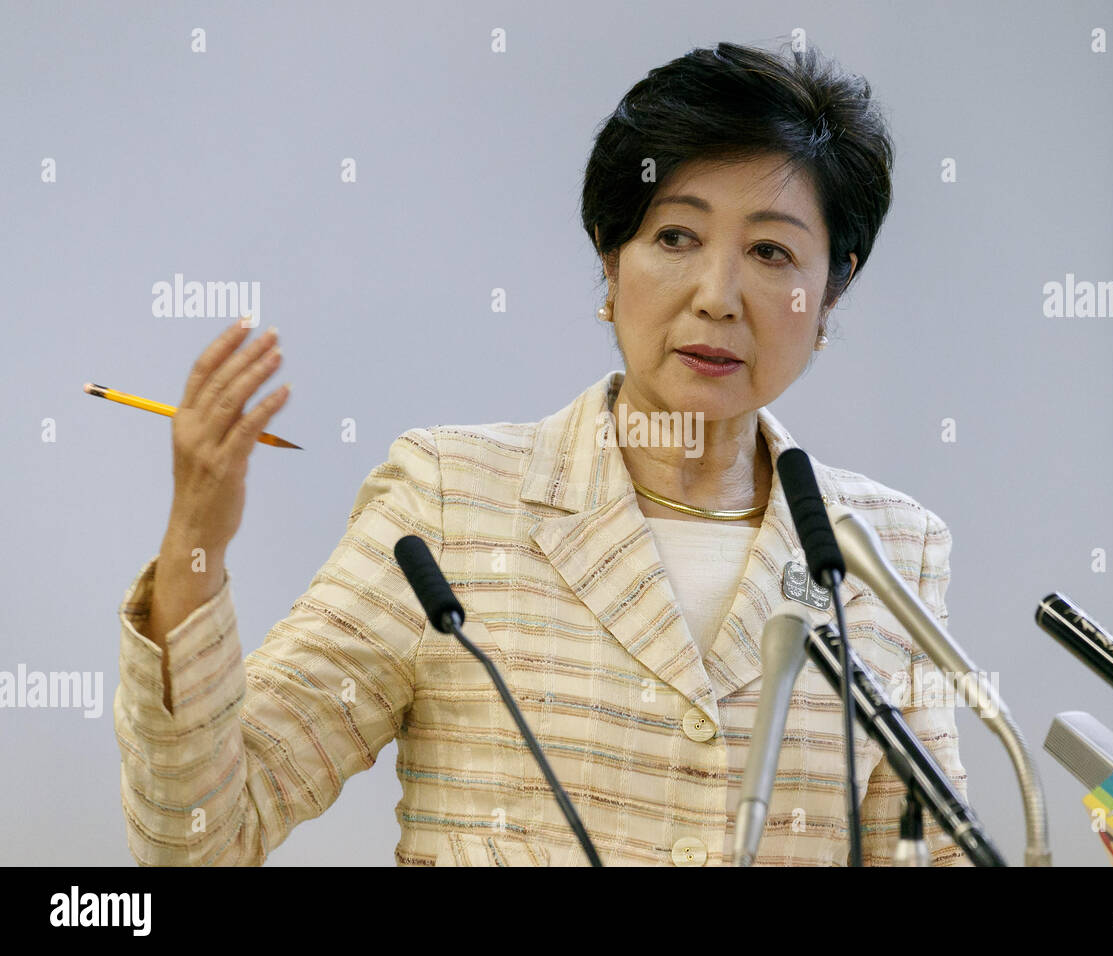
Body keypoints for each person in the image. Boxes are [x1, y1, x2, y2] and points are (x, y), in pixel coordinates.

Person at [114, 41, 969, 866]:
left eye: (770, 252)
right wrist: (198, 535)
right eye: (675, 237)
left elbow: (926, 856)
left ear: (830, 291)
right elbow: (199, 839)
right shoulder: (451, 500)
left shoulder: (884, 547)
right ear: (611, 261)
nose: (717, 296)